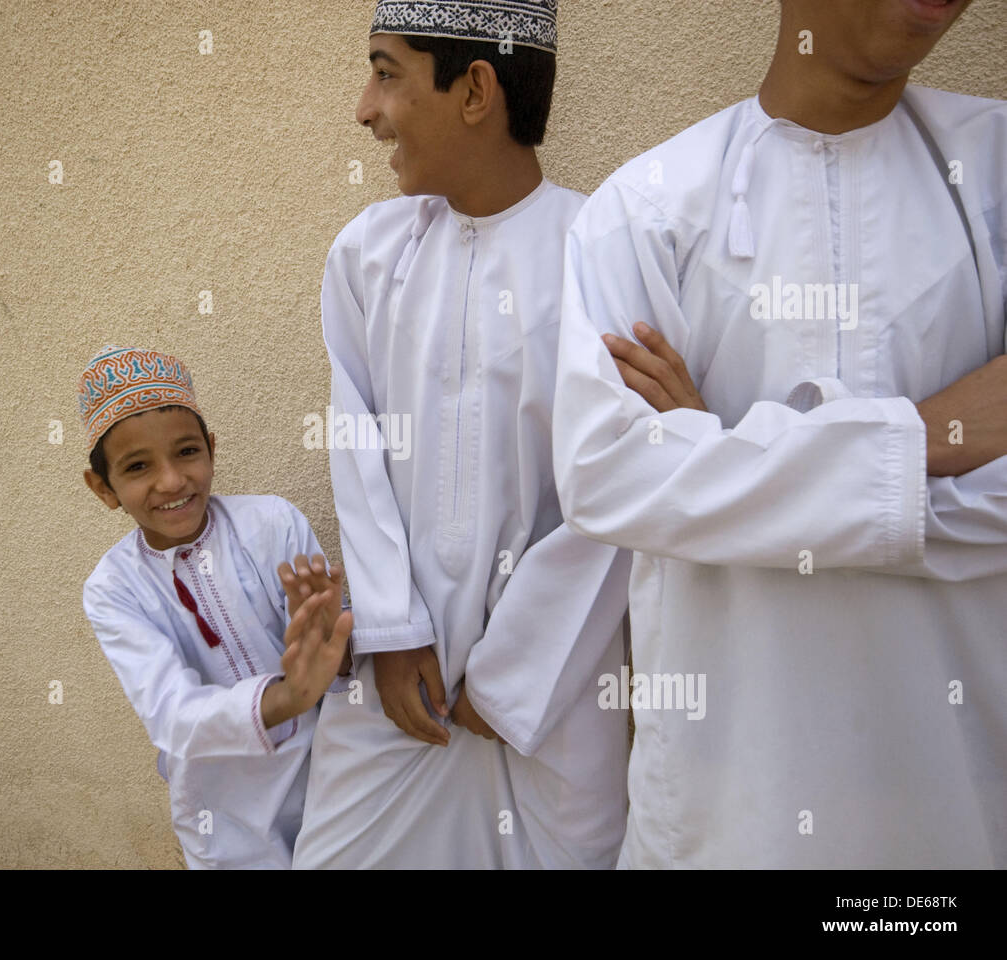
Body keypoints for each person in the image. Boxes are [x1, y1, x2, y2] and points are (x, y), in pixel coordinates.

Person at [554, 0, 1007, 867]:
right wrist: (935, 436)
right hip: (728, 810)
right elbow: (609, 476)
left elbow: (665, 487)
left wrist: (713, 459)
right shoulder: (645, 212)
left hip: (957, 803)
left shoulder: (993, 179)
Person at [291, 0, 632, 869]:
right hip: (397, 686)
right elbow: (356, 449)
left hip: (557, 694)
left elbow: (623, 490)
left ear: (476, 89)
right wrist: (396, 631)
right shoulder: (370, 255)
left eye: (386, 71)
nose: (365, 108)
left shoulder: (606, 254)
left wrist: (514, 677)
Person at [79, 345, 353, 869]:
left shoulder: (272, 524)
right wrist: (286, 696)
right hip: (222, 812)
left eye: (186, 453)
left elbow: (334, 666)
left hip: (329, 775)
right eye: (138, 466)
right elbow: (172, 715)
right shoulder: (113, 587)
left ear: (210, 448)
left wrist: (336, 650)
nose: (172, 481)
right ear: (103, 488)